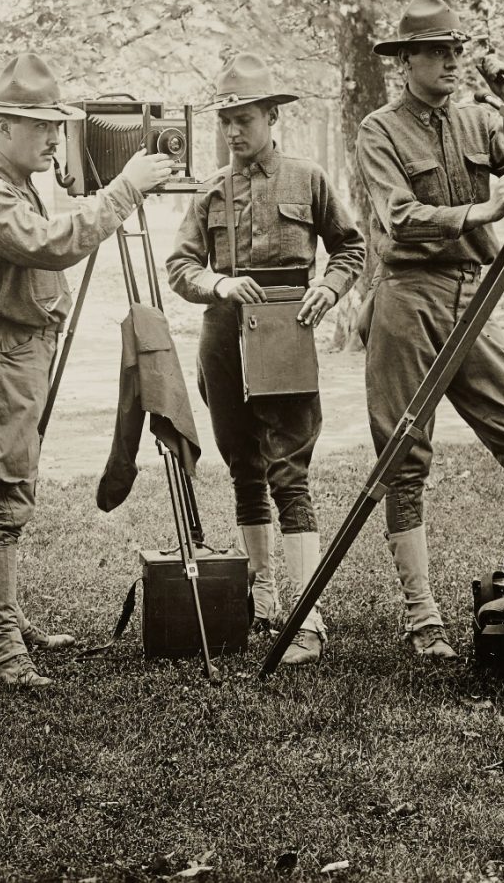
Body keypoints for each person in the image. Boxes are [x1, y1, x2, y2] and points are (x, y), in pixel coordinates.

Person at [0, 52, 173, 690]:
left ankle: (10, 620)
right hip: (2, 351)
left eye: (56, 125)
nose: (53, 137)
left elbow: (56, 232)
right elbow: (50, 245)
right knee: (5, 496)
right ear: (2, 127)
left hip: (21, 349)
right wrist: (125, 188)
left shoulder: (21, 184)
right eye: (40, 126)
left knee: (16, 483)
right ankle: (5, 648)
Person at [356, 0, 504, 660]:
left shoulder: (481, 120)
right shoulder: (380, 130)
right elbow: (398, 217)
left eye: (455, 50)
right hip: (408, 297)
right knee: (403, 460)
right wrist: (481, 211)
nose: (449, 61)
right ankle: (423, 619)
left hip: (474, 295)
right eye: (435, 51)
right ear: (405, 61)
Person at [164, 52, 365, 666]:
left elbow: (350, 248)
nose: (233, 131)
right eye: (226, 121)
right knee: (243, 467)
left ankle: (306, 618)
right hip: (223, 334)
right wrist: (218, 283)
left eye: (244, 119)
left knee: (289, 472)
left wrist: (328, 287)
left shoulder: (308, 178)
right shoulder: (209, 191)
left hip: (285, 331)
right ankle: (265, 595)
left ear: (271, 117)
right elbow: (180, 266)